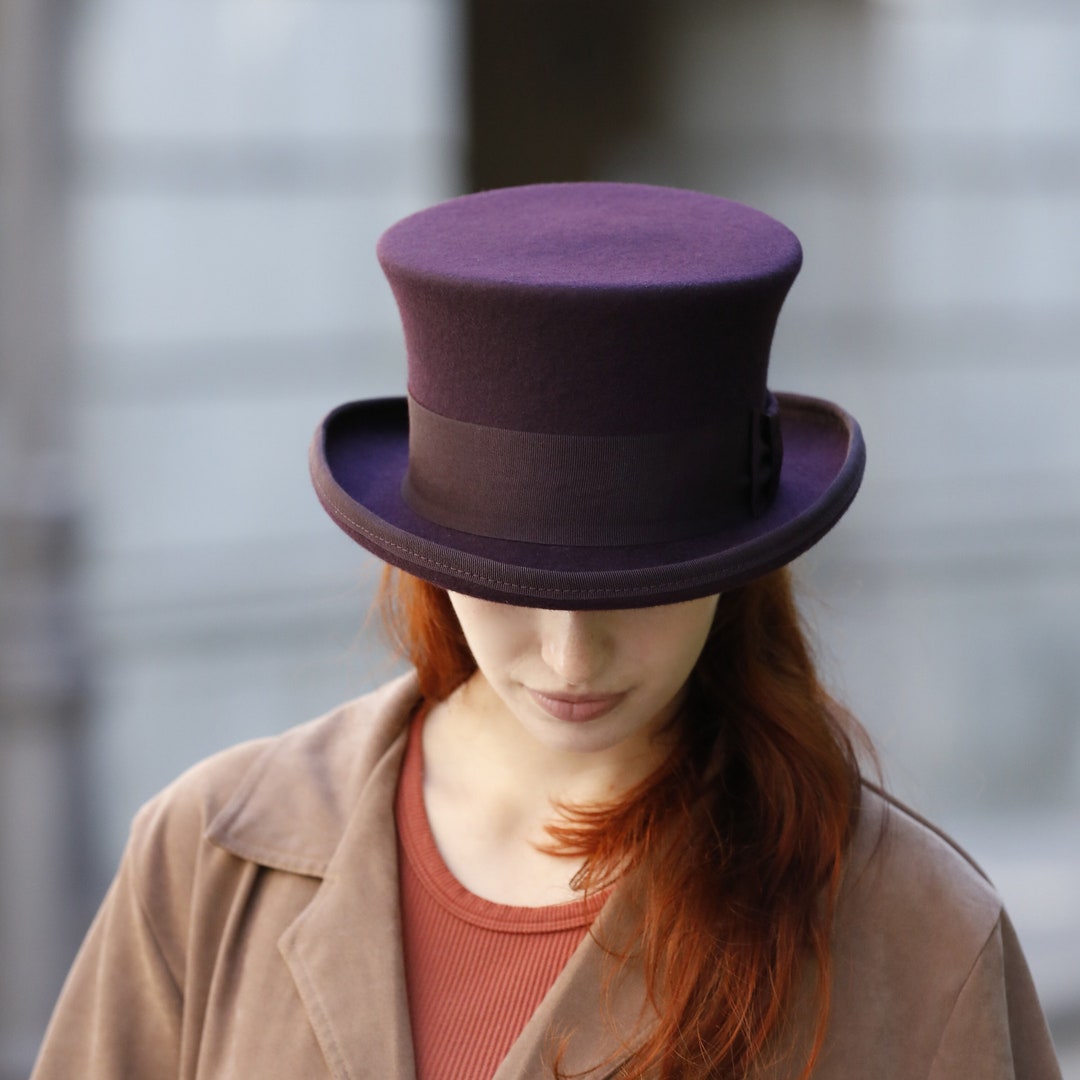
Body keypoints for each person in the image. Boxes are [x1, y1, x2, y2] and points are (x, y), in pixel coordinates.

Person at [32, 183, 1062, 1079]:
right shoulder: (213, 859)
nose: (571, 657)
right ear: (430, 558)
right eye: (512, 585)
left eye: (643, 587)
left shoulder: (917, 935)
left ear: (736, 564)